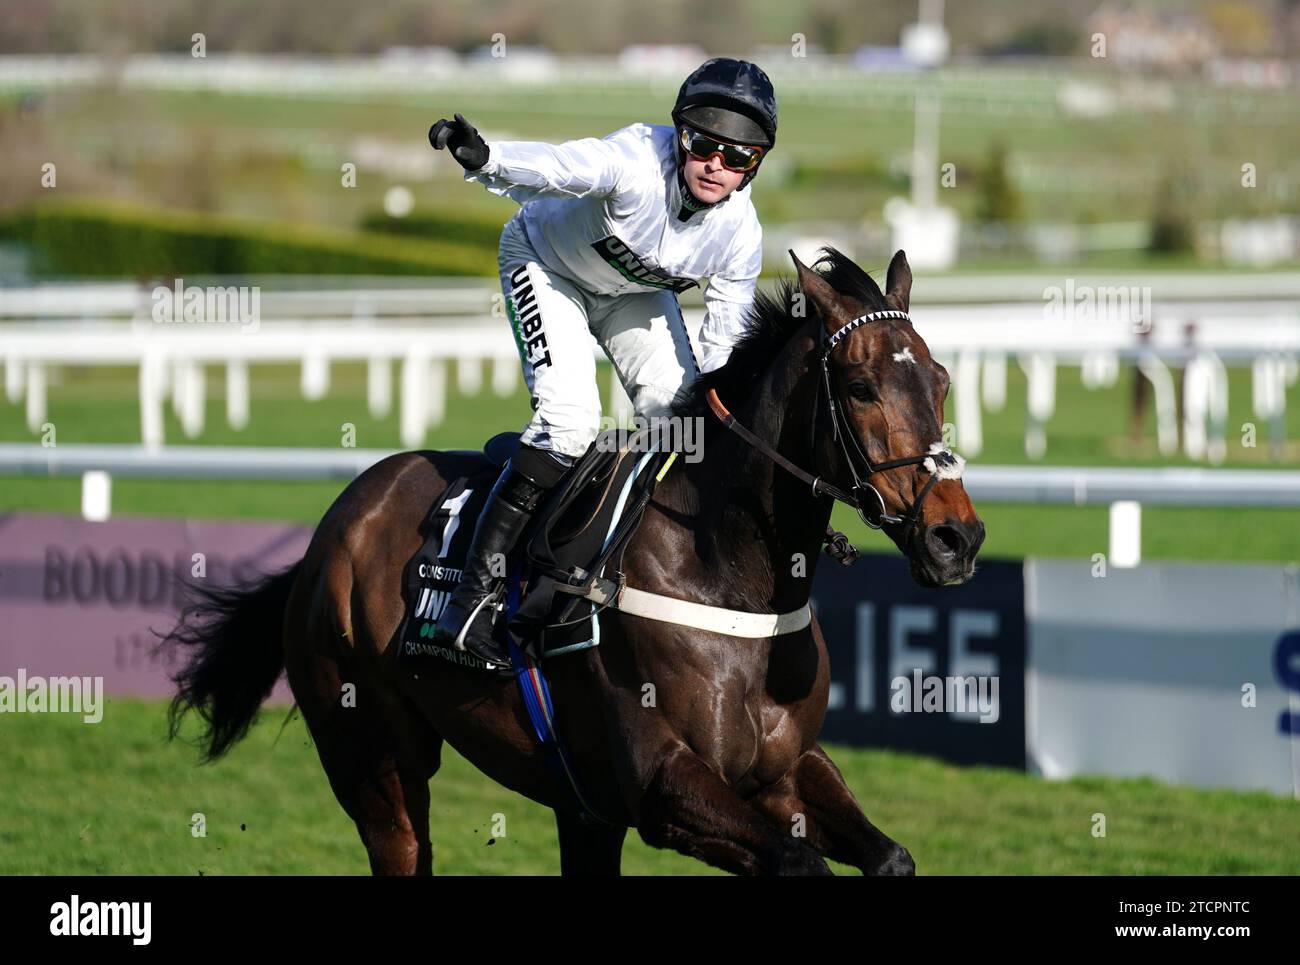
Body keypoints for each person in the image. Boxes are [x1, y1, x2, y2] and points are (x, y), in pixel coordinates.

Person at [426, 57, 777, 670]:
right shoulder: (635, 158)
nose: (717, 166)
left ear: (755, 166)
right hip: (546, 263)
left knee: (686, 428)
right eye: (706, 146)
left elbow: (725, 353)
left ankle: (614, 571)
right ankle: (469, 602)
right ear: (681, 136)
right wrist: (486, 158)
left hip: (632, 293)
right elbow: (556, 170)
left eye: (738, 157)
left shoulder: (741, 235)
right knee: (569, 421)